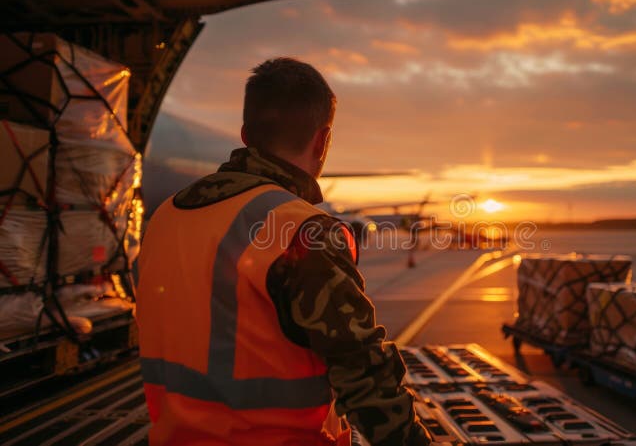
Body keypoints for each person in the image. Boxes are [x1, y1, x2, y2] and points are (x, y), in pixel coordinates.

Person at [136, 58, 431, 446]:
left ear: (245, 134)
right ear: (323, 140)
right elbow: (364, 375)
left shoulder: (164, 218)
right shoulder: (301, 231)